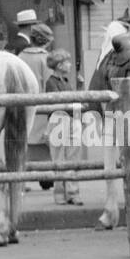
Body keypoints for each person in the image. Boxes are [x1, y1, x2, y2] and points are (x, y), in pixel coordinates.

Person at [42, 49, 83, 206]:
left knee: (72, 157)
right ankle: (60, 193)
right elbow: (56, 104)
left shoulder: (66, 82)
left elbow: (75, 99)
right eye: (67, 62)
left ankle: (73, 192)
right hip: (59, 120)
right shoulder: (51, 82)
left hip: (71, 119)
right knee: (59, 159)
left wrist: (79, 88)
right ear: (59, 65)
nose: (70, 64)